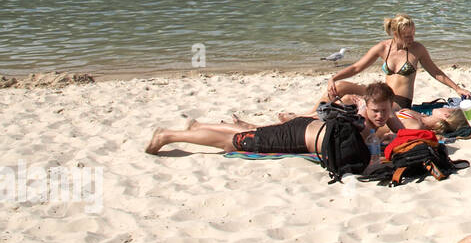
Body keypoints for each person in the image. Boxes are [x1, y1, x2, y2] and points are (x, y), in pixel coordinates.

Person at [147, 82, 404, 158]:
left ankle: (197, 127)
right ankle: (168, 135)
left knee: (249, 133)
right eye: (376, 111)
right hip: (294, 137)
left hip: (302, 130)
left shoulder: (370, 119)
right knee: (233, 142)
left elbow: (397, 130)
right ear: (367, 107)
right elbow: (365, 154)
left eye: (384, 111)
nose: (381, 116)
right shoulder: (362, 124)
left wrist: (390, 125)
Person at [320, 14, 471, 112]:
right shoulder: (383, 48)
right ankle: (310, 115)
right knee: (339, 87)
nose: (411, 39)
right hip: (381, 93)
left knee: (357, 106)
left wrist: (457, 89)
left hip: (399, 102)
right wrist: (333, 78)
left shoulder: (418, 49)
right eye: (407, 36)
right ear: (395, 34)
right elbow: (356, 67)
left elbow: (435, 72)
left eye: (413, 34)